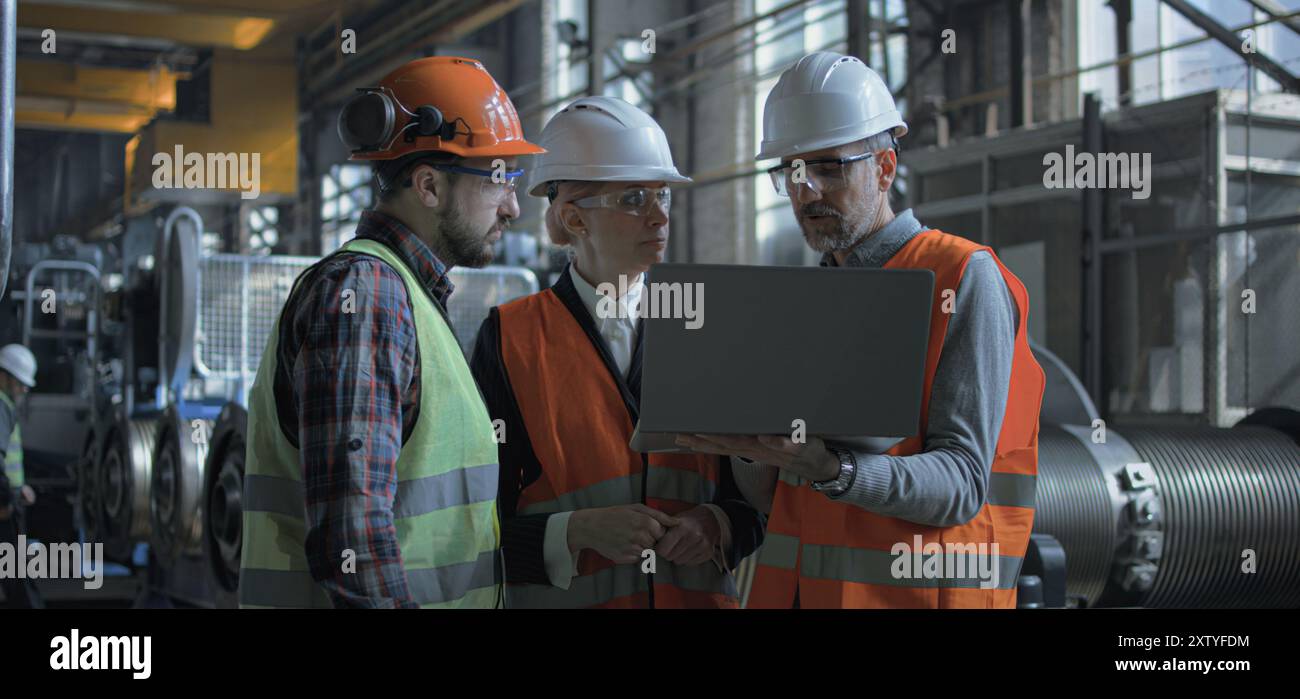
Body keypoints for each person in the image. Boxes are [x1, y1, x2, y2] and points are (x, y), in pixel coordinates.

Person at [677, 52, 1045, 608]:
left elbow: (963, 485)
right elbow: (773, 498)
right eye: (792, 173)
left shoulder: (963, 277)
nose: (807, 191)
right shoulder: (799, 302)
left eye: (829, 167)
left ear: (885, 167)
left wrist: (832, 468)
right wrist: (750, 451)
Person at [238, 56, 544, 608]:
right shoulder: (367, 295)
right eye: (500, 178)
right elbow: (353, 540)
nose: (513, 207)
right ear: (428, 185)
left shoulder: (405, 293)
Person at [470, 96, 765, 608]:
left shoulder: (711, 323)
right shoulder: (509, 338)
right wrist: (572, 533)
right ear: (574, 220)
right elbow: (475, 526)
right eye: (633, 199)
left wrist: (717, 524)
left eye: (663, 197)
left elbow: (756, 500)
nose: (659, 217)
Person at [0, 343, 44, 608]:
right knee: (18, 580)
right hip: (4, 507)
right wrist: (6, 499)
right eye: (20, 383)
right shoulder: (1, 406)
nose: (25, 389)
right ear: (3, 375)